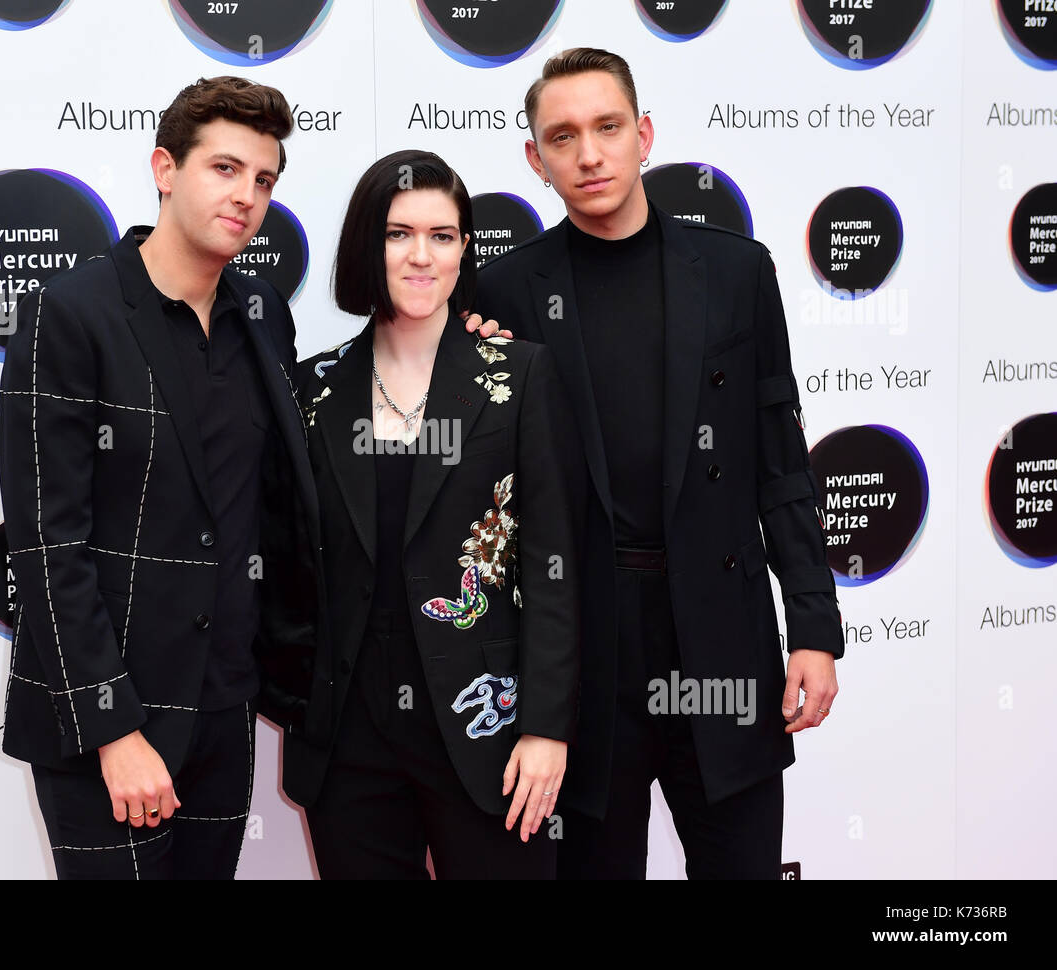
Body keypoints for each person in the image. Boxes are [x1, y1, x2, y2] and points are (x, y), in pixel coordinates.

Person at [474, 48, 844, 879]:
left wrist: (814, 629)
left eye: (607, 128)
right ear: (535, 159)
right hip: (586, 651)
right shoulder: (504, 292)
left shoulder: (737, 271)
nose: (590, 154)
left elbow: (781, 461)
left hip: (722, 632)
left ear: (643, 135)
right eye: (562, 137)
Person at [0, 76, 318, 879]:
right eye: (225, 168)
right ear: (165, 168)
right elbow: (46, 544)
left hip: (224, 707)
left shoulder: (263, 311)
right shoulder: (74, 312)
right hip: (111, 724)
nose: (247, 195)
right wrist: (113, 729)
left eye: (264, 179)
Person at [276, 150, 586, 879]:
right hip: (349, 739)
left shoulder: (520, 377)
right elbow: (286, 559)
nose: (422, 256)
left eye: (443, 235)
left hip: (489, 727)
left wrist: (546, 727)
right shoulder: (314, 389)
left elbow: (556, 569)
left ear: (465, 248)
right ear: (366, 245)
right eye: (398, 234)